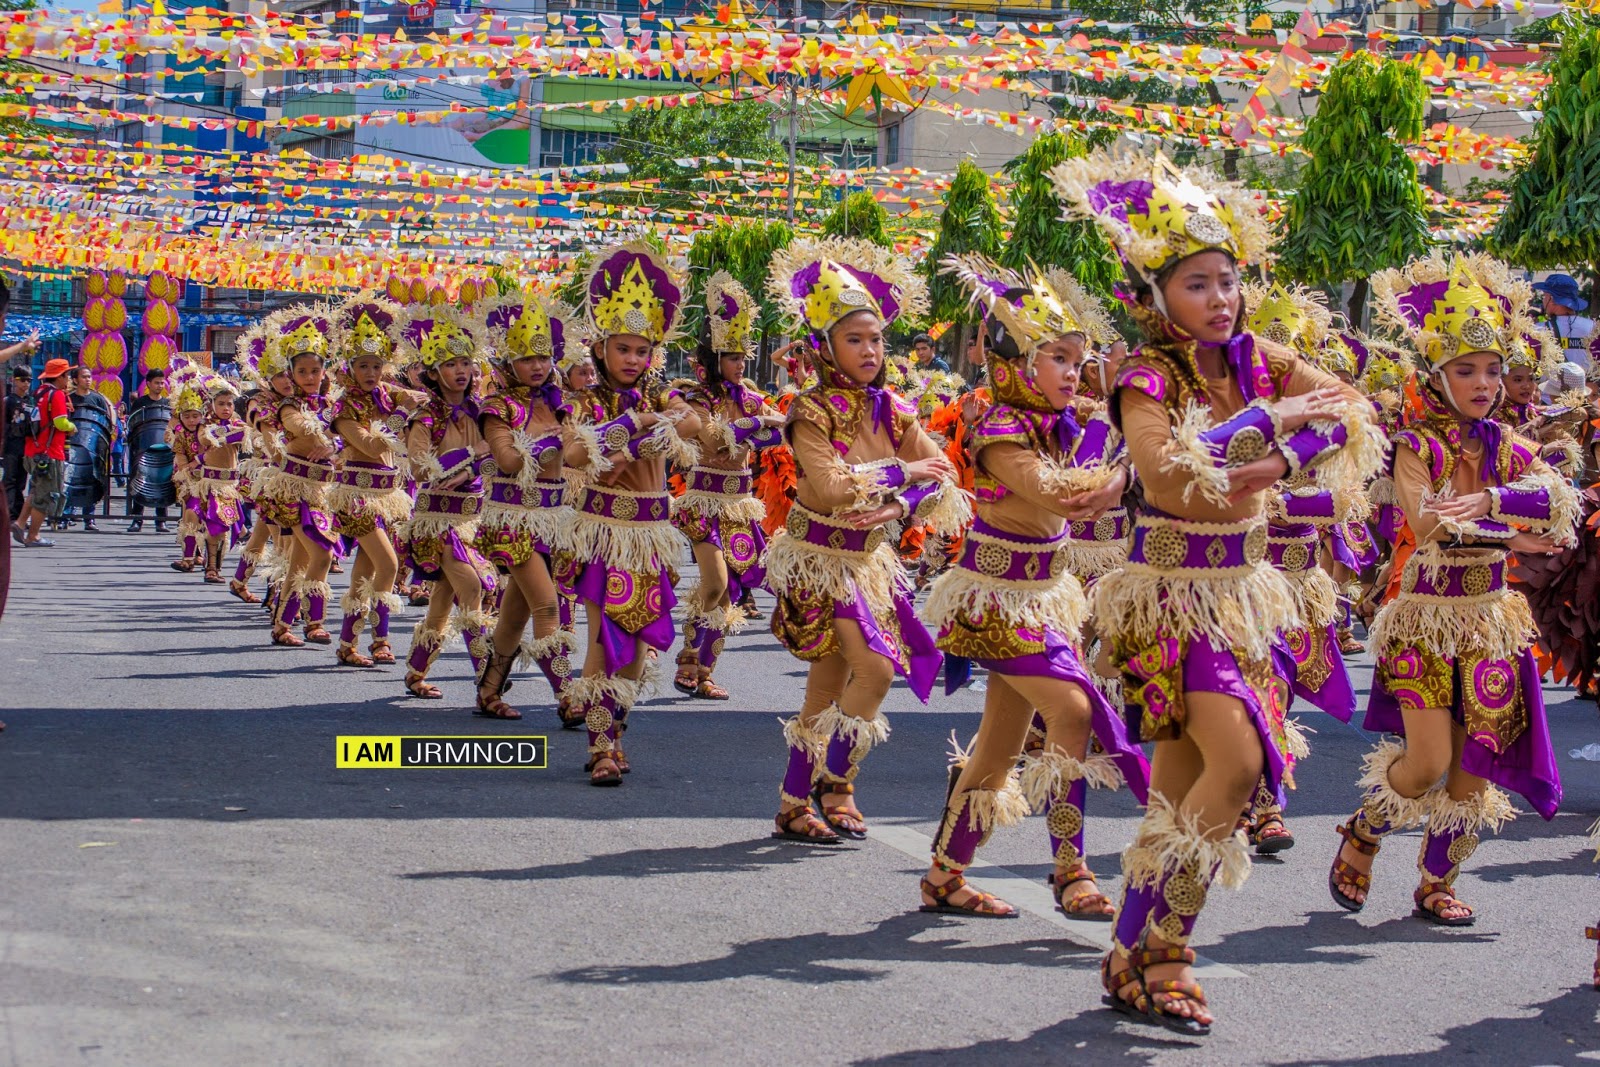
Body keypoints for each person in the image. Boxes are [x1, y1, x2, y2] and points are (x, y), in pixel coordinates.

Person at [1053, 149, 1381, 1035]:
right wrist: (1269, 429)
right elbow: (1164, 480)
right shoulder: (1144, 375)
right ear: (1157, 296)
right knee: (1237, 768)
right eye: (1198, 284)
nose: (1221, 298)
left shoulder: (1259, 358)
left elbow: (1354, 403)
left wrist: (1284, 457)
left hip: (1240, 598)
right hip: (1168, 601)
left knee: (1183, 792)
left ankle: (1140, 954)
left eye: (1229, 280)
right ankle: (1153, 947)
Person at [1328, 252, 1575, 930]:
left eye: (1493, 370)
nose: (1485, 383)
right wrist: (1511, 531)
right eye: (1466, 370)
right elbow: (1427, 522)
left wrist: (1497, 505)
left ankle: (1438, 880)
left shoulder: (1506, 445)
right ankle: (1367, 824)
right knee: (1428, 760)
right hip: (1427, 619)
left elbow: (1557, 506)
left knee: (1478, 766)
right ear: (1436, 375)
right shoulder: (1416, 444)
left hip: (1491, 619)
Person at [919, 254, 1149, 918]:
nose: (1074, 372)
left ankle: (944, 873)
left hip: (1045, 598)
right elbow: (1057, 492)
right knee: (1072, 714)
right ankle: (1070, 869)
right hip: (996, 602)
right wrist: (1120, 470)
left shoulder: (1065, 420)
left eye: (1079, 359)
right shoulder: (996, 426)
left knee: (999, 746)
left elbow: (1105, 463)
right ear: (1017, 362)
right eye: (1058, 357)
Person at [763, 236, 966, 842]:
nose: (871, 350)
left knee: (827, 687)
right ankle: (838, 782)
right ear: (827, 347)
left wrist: (903, 502)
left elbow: (947, 476)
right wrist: (902, 474)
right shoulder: (810, 409)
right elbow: (825, 490)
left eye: (877, 339)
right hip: (818, 559)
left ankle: (794, 803)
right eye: (855, 339)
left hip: (865, 562)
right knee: (876, 670)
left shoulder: (893, 411)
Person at [556, 243, 703, 783]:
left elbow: (693, 426)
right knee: (603, 639)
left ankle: (614, 727)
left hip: (651, 533)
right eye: (624, 349)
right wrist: (631, 432)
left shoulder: (662, 394)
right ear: (600, 348)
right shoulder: (585, 402)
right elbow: (573, 454)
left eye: (643, 350)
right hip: (606, 533)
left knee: (640, 642)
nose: (634, 359)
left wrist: (647, 429)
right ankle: (599, 744)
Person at [671, 272, 786, 701]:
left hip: (739, 503)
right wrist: (757, 425)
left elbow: (779, 434)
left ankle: (703, 671)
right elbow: (716, 440)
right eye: (733, 357)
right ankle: (686, 656)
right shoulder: (696, 399)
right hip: (703, 502)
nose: (742, 364)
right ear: (714, 359)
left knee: (730, 592)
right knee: (716, 582)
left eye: (744, 356)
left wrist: (759, 425)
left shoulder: (751, 398)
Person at [474, 291, 588, 722]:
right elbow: (507, 461)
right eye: (525, 358)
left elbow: (577, 456)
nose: (537, 366)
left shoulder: (561, 402)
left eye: (542, 357)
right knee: (547, 607)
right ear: (508, 362)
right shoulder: (498, 406)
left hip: (555, 520)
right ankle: (568, 695)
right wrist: (551, 444)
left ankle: (488, 691)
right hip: (514, 520)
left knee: (513, 617)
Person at [397, 305, 499, 703]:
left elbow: (498, 456)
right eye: (450, 364)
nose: (460, 371)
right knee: (471, 588)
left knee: (441, 602)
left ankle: (415, 672)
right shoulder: (424, 417)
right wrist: (472, 453)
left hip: (473, 518)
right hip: (436, 521)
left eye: (465, 363)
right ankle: (488, 684)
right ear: (433, 372)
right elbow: (422, 470)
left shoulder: (484, 411)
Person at [325, 295, 425, 669]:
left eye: (376, 365)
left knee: (365, 573)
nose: (370, 373)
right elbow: (367, 442)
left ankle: (347, 644)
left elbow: (420, 396)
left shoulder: (385, 393)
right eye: (363, 365)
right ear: (350, 368)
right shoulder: (344, 407)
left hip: (385, 494)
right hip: (355, 497)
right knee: (389, 566)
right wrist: (403, 412)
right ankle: (380, 639)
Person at [258, 309, 341, 647]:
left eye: (315, 370)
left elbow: (348, 436)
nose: (309, 376)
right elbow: (295, 424)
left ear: (324, 372)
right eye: (302, 371)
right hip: (295, 488)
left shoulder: (334, 405)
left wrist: (334, 442)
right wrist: (322, 436)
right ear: (291, 374)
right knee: (322, 551)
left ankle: (282, 624)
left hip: (323, 490)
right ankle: (314, 620)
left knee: (301, 559)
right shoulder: (288, 405)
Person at [11, 357, 75, 548]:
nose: (69, 379)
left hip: (32, 449)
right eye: (67, 375)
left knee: (36, 489)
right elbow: (60, 422)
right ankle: (34, 536)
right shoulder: (56, 395)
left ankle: (20, 523)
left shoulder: (38, 392)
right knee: (45, 495)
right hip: (49, 452)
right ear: (60, 377)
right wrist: (72, 427)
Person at [64, 366, 113, 531]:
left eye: (89, 376)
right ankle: (66, 515)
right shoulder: (69, 399)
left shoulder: (97, 399)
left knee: (91, 479)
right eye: (84, 377)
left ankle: (89, 518)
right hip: (73, 445)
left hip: (92, 446)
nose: (88, 380)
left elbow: (106, 420)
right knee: (70, 479)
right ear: (76, 380)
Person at [127, 369, 173, 534]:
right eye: (156, 382)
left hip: (163, 449)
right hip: (144, 447)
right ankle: (137, 520)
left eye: (162, 382)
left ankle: (161, 522)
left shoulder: (168, 403)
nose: (160, 385)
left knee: (163, 482)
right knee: (141, 479)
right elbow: (132, 425)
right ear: (148, 384)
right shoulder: (140, 403)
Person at [1533, 272, 1594, 371]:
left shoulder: (1537, 330)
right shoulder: (1593, 328)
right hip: (1587, 386)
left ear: (1552, 299)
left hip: (1548, 386)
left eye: (1545, 297)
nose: (1543, 301)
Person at [3, 367, 28, 519]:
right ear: (14, 380)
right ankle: (8, 513)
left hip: (25, 447)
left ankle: (18, 514)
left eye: (28, 380)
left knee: (21, 482)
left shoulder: (29, 401)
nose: (26, 384)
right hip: (10, 447)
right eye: (22, 380)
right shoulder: (8, 401)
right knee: (9, 480)